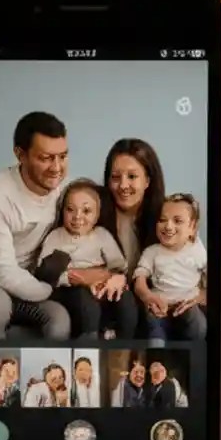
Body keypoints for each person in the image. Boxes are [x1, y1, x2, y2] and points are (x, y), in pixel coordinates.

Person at [0, 112, 71, 340]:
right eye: (46, 157)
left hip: (28, 274)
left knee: (60, 321)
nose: (57, 168)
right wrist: (46, 290)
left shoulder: (67, 189)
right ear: (20, 154)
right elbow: (0, 270)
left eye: (63, 156)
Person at [36, 179, 131, 340]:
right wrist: (76, 279)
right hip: (69, 290)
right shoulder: (56, 237)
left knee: (125, 299)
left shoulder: (102, 235)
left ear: (96, 216)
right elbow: (44, 273)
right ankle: (89, 340)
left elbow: (119, 265)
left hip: (101, 286)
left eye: (86, 211)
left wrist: (112, 279)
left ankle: (123, 339)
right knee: (83, 299)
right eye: (70, 210)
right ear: (63, 211)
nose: (77, 216)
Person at [96, 139, 167, 338]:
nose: (123, 185)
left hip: (153, 304)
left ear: (147, 180)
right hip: (108, 302)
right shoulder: (93, 214)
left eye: (132, 176)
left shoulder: (167, 217)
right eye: (116, 177)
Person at [133, 194, 208, 346]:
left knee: (198, 325)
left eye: (177, 221)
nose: (168, 226)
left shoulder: (197, 251)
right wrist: (147, 296)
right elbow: (139, 280)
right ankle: (157, 349)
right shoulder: (152, 252)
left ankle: (192, 352)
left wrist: (200, 296)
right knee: (152, 324)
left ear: (192, 228)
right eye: (162, 220)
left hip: (186, 306)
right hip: (159, 306)